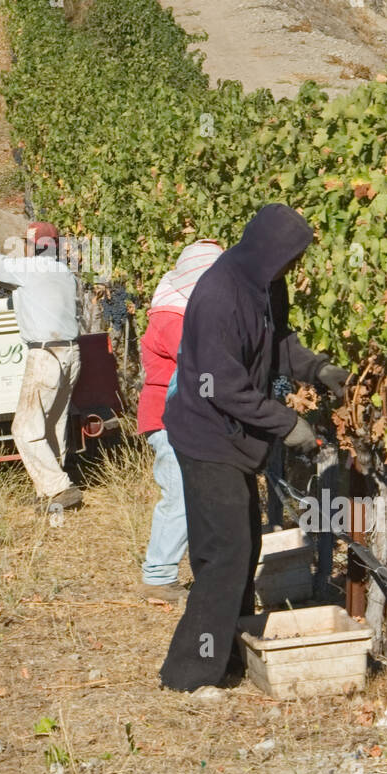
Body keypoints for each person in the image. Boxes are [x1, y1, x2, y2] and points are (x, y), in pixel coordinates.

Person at [159, 204, 348, 695]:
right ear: (267, 249)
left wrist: (318, 369)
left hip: (231, 434)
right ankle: (190, 673)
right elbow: (221, 386)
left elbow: (278, 341)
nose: (292, 268)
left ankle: (227, 653)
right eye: (289, 258)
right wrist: (288, 425)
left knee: (240, 541)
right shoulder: (221, 296)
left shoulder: (263, 282)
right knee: (227, 550)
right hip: (205, 434)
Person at [0, 221, 83, 510]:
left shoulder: (29, 269)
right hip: (72, 354)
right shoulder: (65, 274)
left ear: (32, 246)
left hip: (45, 356)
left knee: (24, 429)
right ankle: (48, 488)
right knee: (52, 425)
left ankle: (59, 488)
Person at [138, 239, 224, 603]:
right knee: (179, 498)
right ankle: (157, 576)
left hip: (181, 418)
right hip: (169, 420)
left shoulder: (179, 311)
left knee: (193, 495)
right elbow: (203, 358)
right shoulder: (170, 319)